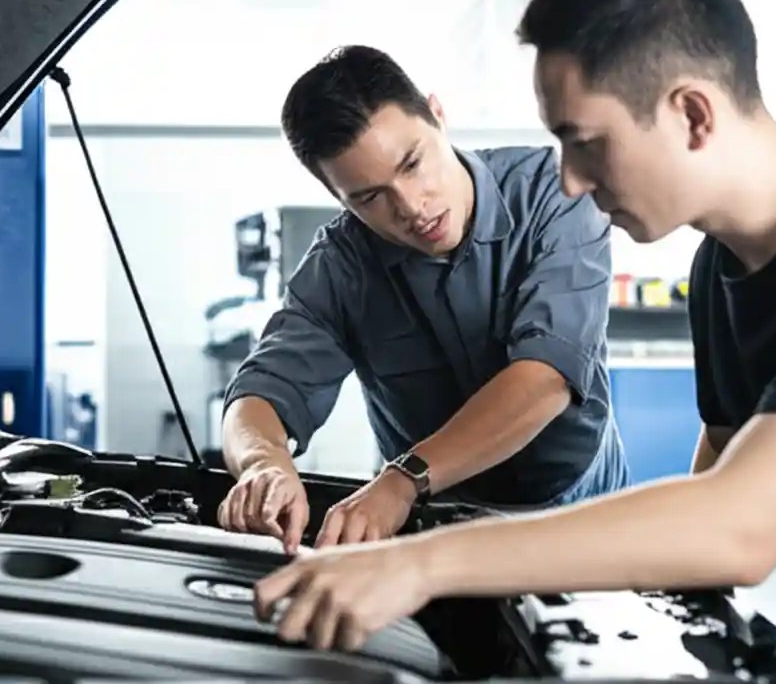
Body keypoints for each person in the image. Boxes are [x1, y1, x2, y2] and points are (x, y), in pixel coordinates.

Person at [250, 0, 776, 681]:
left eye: (584, 143)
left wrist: (424, 563)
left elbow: (743, 529)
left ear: (692, 113)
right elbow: (713, 495)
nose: (569, 178)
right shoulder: (720, 270)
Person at [217, 45, 630, 554]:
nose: (411, 207)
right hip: (430, 518)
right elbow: (260, 393)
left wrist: (403, 478)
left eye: (412, 163)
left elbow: (544, 378)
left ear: (437, 114)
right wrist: (263, 464)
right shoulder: (342, 266)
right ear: (339, 198)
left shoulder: (556, 194)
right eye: (370, 197)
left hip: (574, 501)